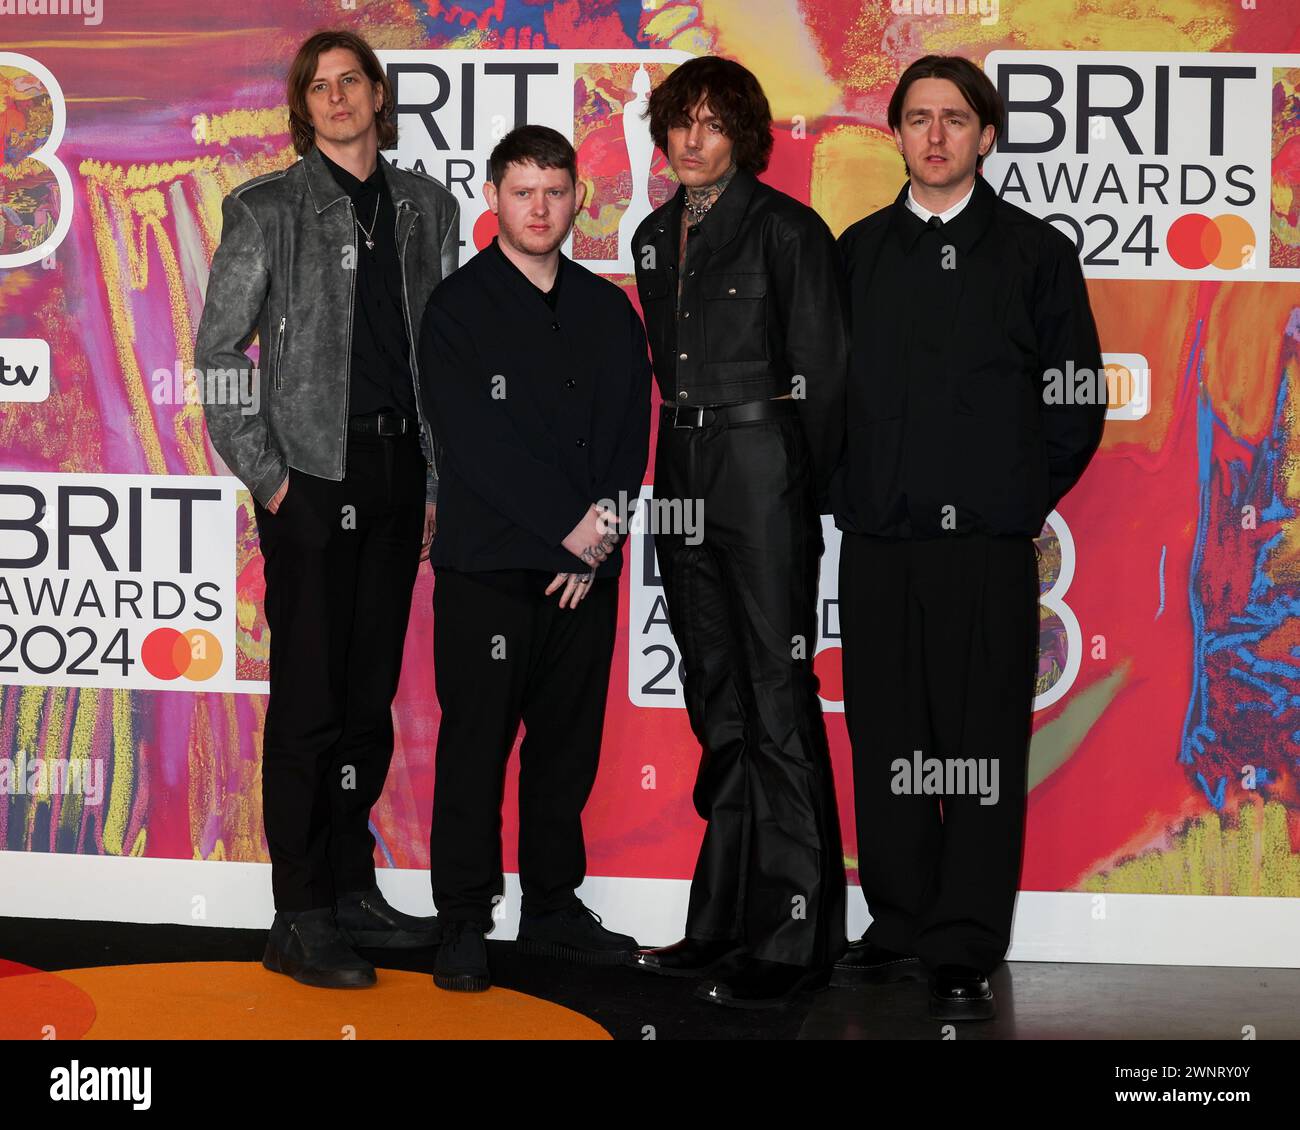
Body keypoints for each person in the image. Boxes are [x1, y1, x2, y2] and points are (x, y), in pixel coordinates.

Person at [832, 54, 1106, 1020]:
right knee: (890, 741)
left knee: (979, 750)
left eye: (955, 118)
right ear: (896, 134)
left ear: (987, 135)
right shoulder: (856, 253)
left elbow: (1075, 401)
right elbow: (821, 400)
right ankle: (900, 922)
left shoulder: (1036, 255)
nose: (936, 135)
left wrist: (1013, 501)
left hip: (987, 552)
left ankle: (965, 938)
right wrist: (850, 494)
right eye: (917, 118)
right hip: (877, 547)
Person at [196, 29, 459, 989]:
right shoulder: (265, 208)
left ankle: (350, 886)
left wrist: (433, 479)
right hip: (310, 479)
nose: (339, 98)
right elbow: (222, 357)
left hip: (399, 474)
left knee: (365, 700)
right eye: (320, 86)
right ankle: (298, 913)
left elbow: (441, 350)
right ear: (303, 107)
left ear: (379, 94)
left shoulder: (428, 208)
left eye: (353, 81)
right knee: (308, 703)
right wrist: (266, 476)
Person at [626, 55, 849, 1009]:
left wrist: (803, 495)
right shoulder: (647, 237)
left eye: (713, 123)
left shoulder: (790, 230)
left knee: (774, 693)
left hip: (762, 470)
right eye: (680, 121)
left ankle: (797, 934)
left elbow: (829, 379)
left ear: (745, 137)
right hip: (677, 470)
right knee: (716, 699)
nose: (692, 139)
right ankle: (720, 922)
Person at [418, 125, 651, 993]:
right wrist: (575, 531)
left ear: (578, 199)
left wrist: (598, 541)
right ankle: (463, 922)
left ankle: (552, 907)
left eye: (555, 190)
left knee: (567, 750)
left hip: (583, 577)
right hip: (489, 573)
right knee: (475, 748)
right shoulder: (457, 310)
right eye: (524, 191)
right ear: (494, 201)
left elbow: (632, 436)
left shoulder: (607, 309)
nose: (541, 207)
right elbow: (477, 446)